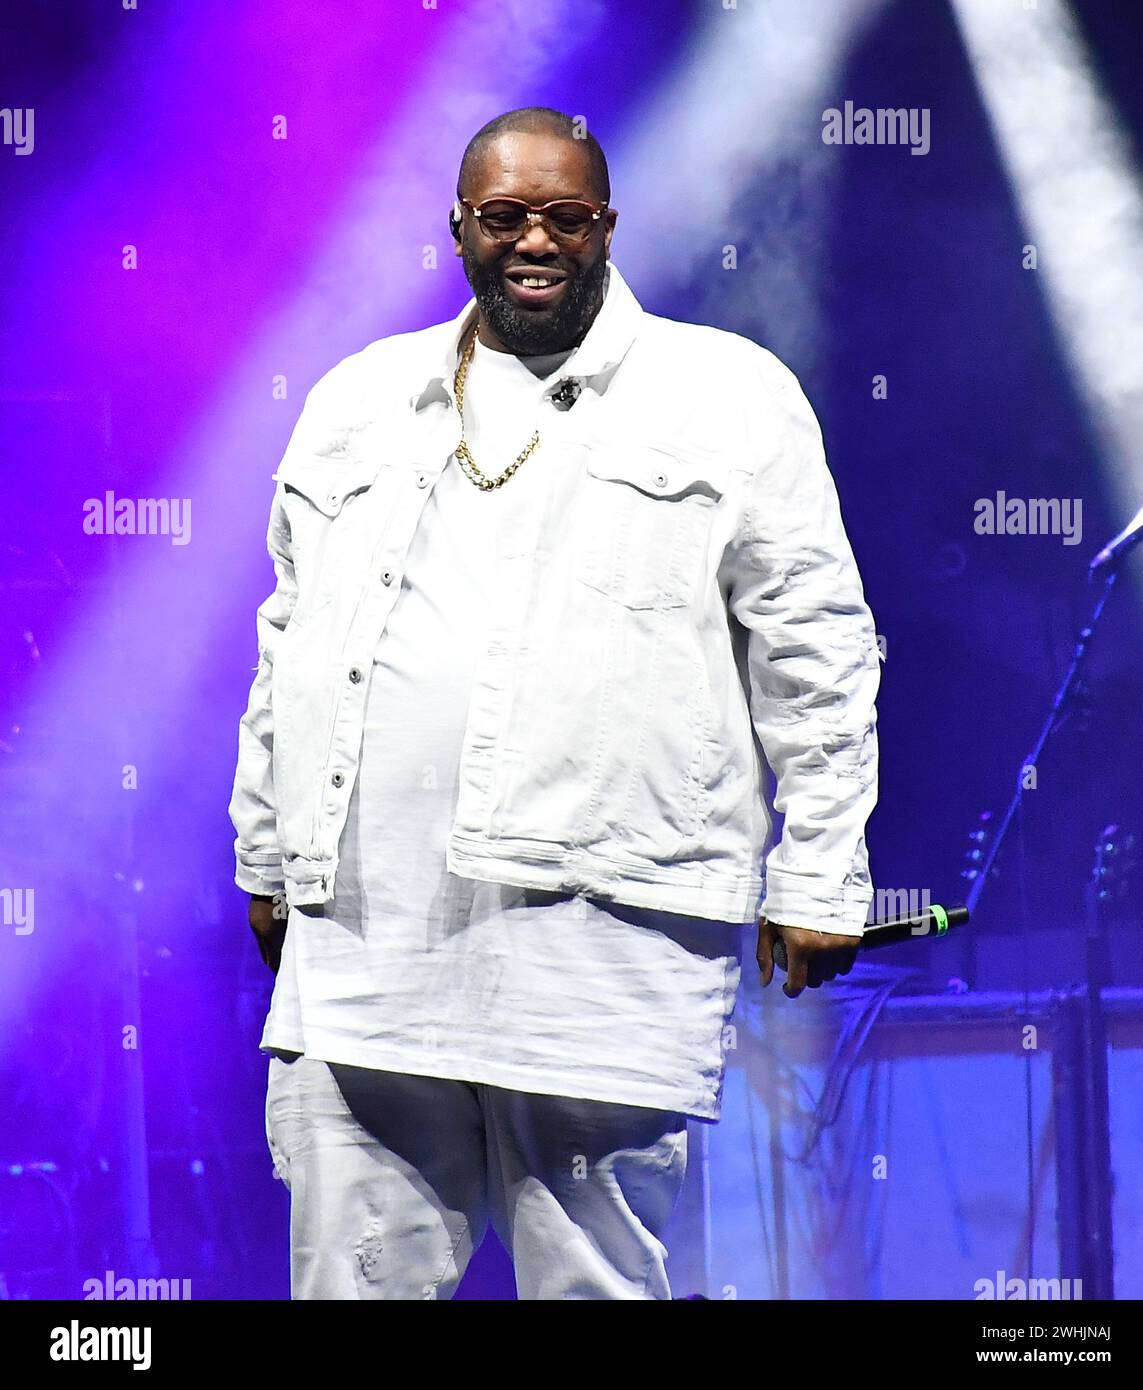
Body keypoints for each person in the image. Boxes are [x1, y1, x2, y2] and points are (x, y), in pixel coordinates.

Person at [229, 106, 881, 1301]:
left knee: (594, 1286)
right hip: (368, 949)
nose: (538, 238)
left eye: (568, 216)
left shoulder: (726, 394)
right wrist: (269, 851)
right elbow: (290, 634)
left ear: (608, 226)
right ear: (460, 228)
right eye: (507, 215)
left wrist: (822, 874)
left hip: (599, 950)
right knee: (349, 1283)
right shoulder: (359, 398)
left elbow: (818, 646)